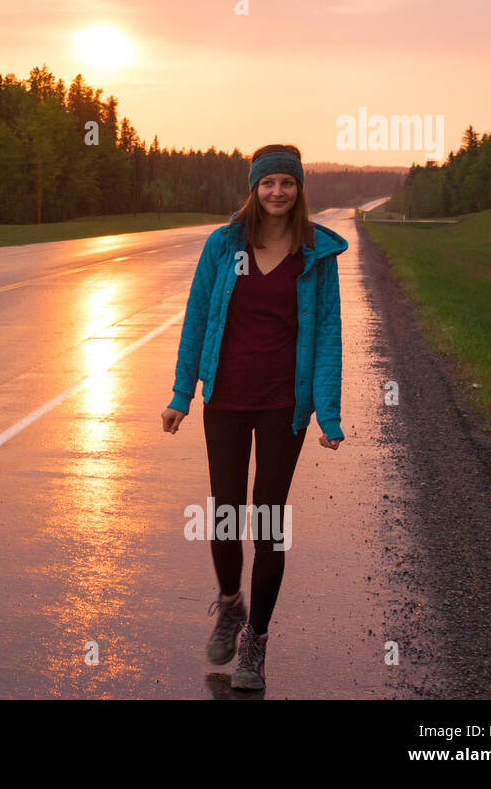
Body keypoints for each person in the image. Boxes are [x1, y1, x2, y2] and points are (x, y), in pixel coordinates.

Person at [160, 144, 347, 691]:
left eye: (286, 182)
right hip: (224, 399)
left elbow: (328, 334)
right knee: (225, 512)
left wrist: (328, 414)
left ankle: (256, 642)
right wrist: (181, 394)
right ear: (254, 188)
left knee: (267, 520)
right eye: (268, 183)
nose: (277, 192)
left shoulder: (315, 254)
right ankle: (229, 603)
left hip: (284, 405)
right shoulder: (224, 245)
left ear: (299, 188)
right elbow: (197, 317)